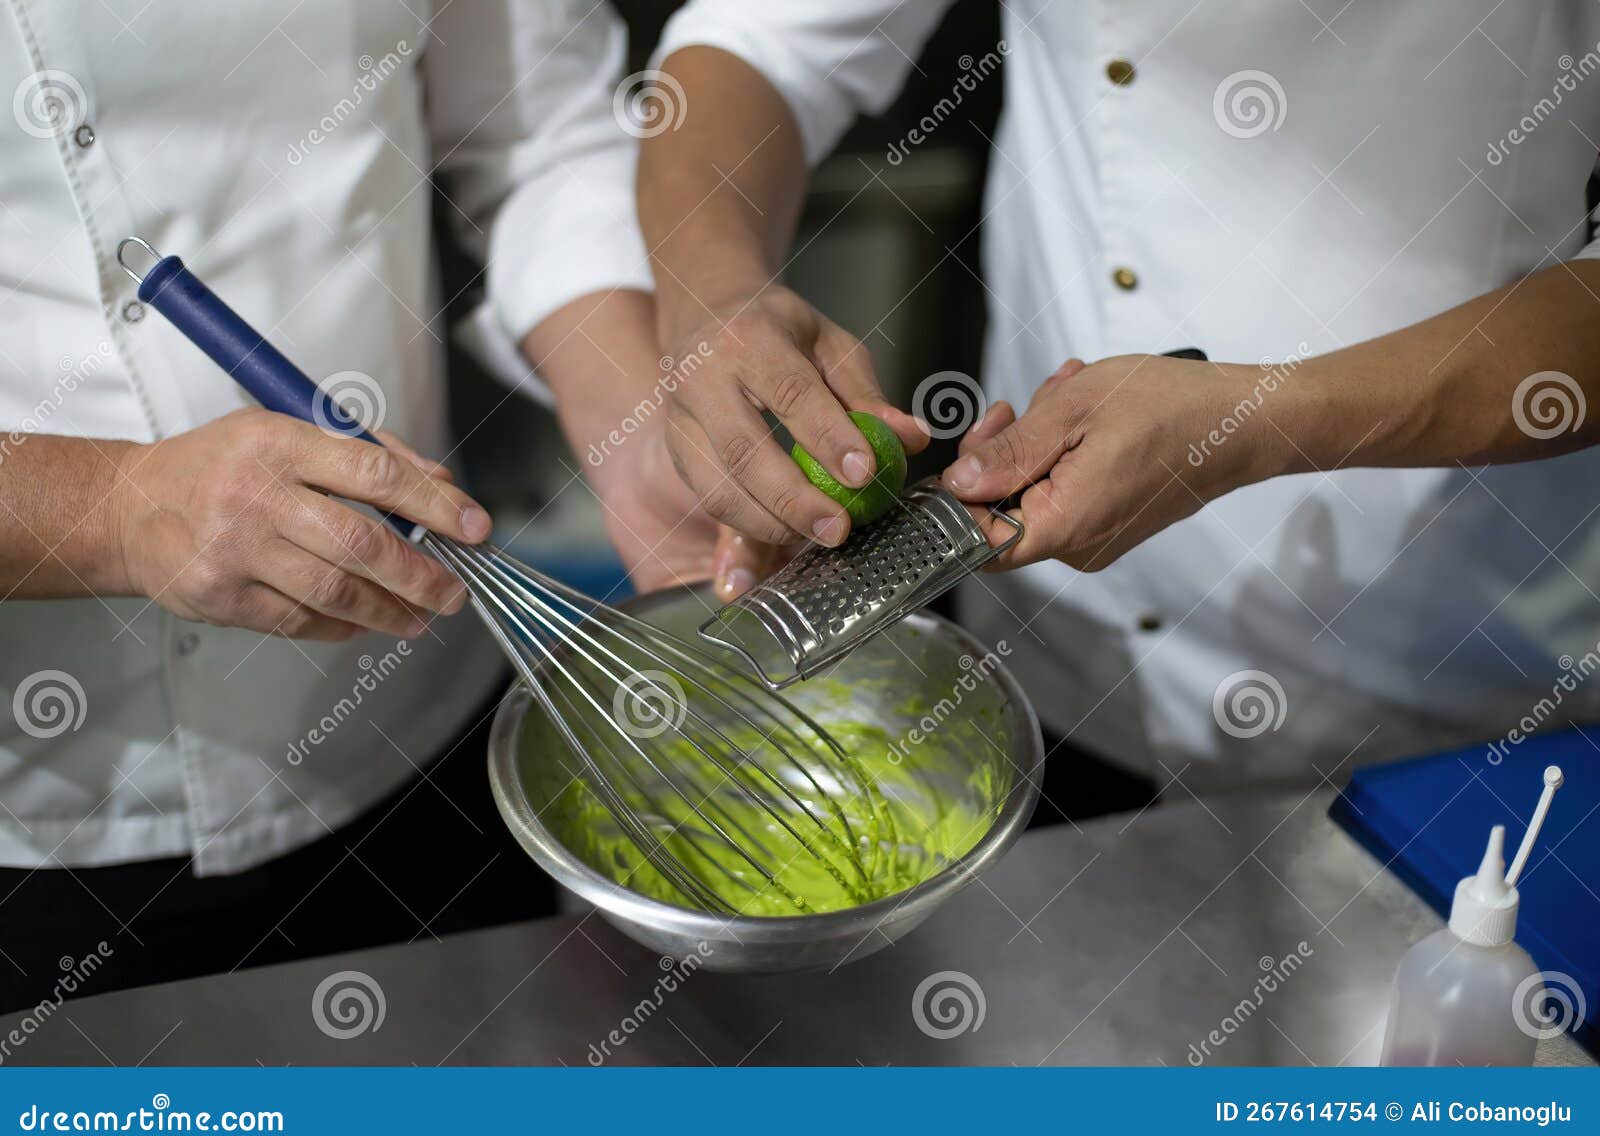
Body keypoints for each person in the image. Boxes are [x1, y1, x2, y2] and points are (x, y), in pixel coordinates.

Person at [632, 2, 1600, 807]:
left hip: (1450, 682)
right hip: (1055, 645)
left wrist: (1257, 421)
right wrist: (710, 294)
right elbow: (762, 41)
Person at [0, 1, 708, 1013]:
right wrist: (110, 506)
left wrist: (633, 412)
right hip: (44, 831)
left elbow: (536, 127)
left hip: (422, 724)